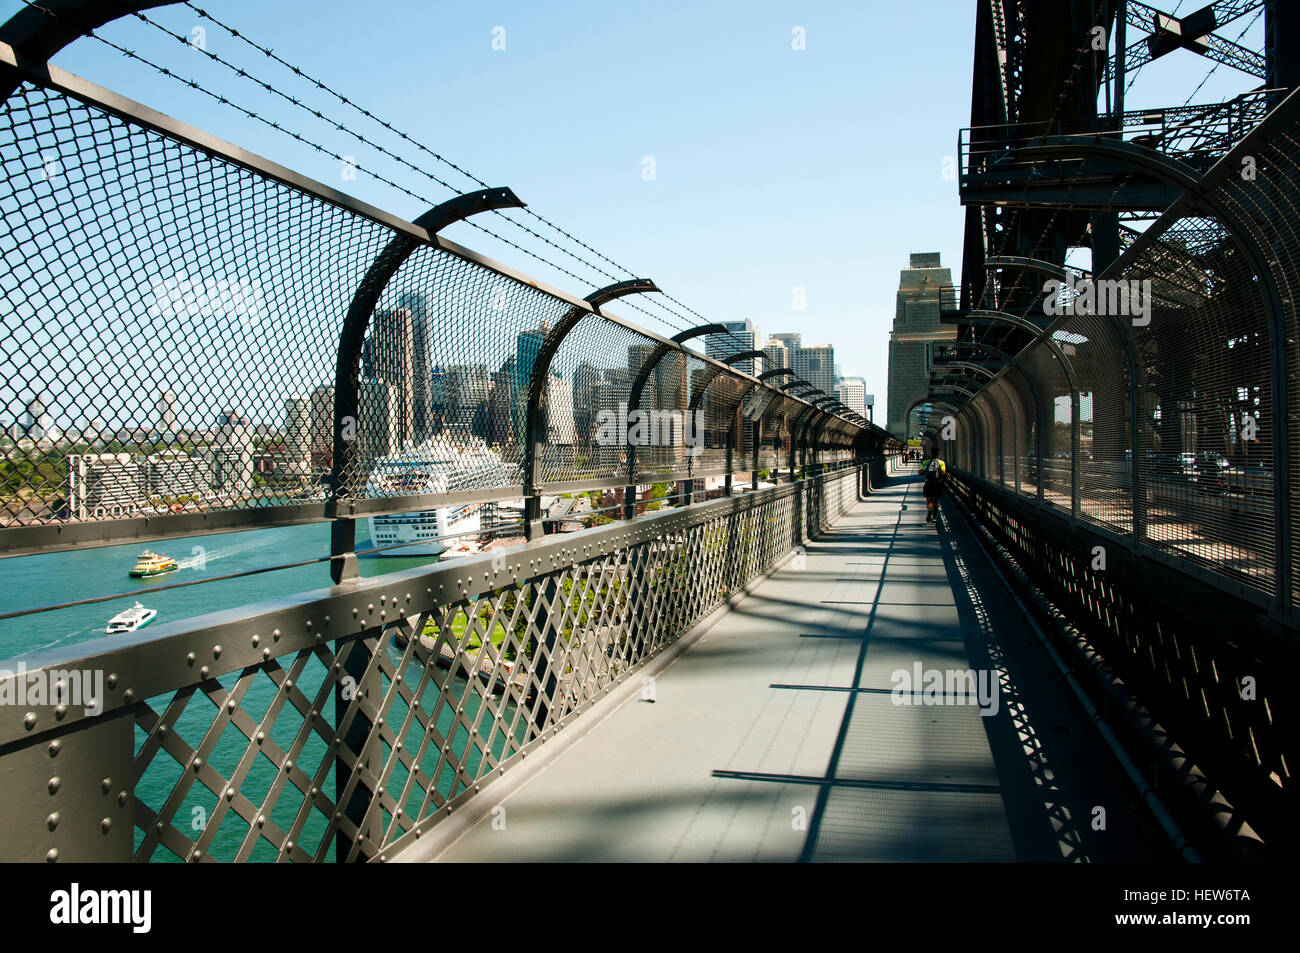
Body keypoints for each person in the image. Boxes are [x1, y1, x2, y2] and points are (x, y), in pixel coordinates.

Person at [920, 445, 946, 524]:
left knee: (929, 500)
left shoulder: (926, 462)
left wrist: (927, 472)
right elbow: (944, 473)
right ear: (938, 453)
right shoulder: (941, 462)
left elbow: (920, 472)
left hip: (928, 483)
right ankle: (934, 518)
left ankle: (929, 510)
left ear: (931, 453)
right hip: (937, 484)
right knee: (936, 501)